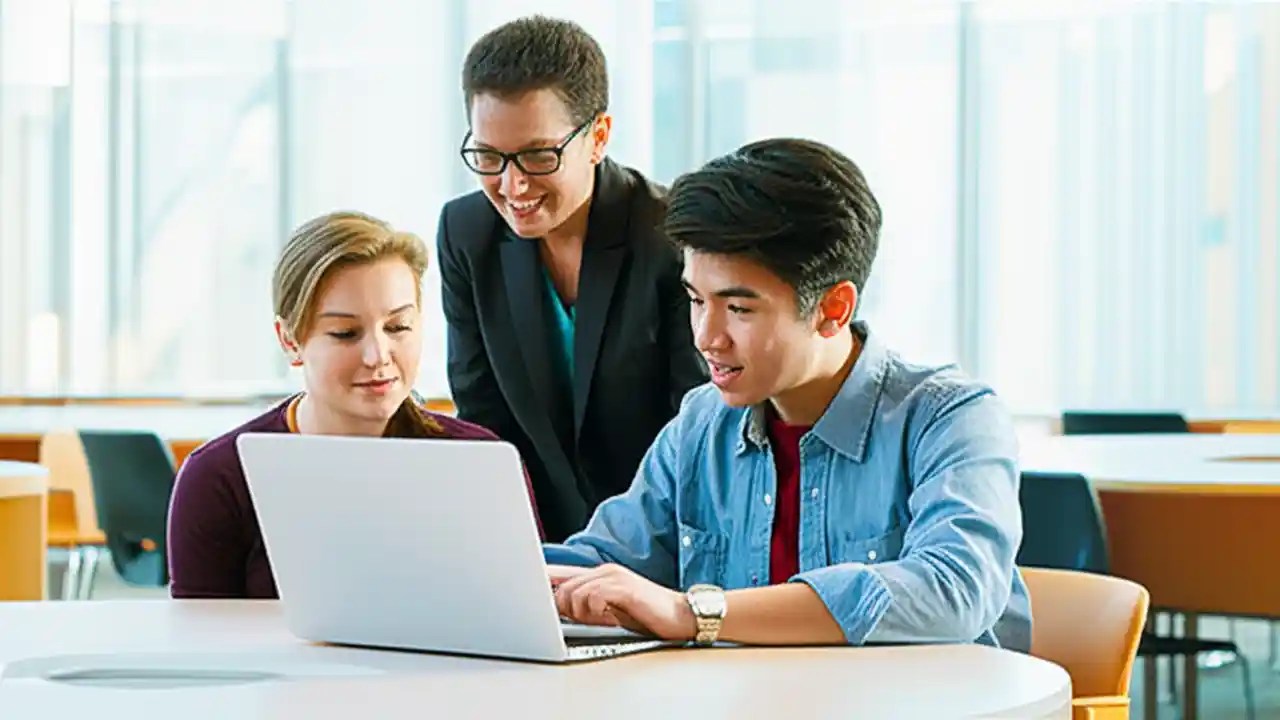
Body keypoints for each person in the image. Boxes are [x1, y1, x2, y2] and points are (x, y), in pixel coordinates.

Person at [543, 138, 1030, 651]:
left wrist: (694, 613)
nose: (707, 336)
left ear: (833, 309)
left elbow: (953, 589)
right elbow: (599, 566)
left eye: (739, 309)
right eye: (694, 300)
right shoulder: (700, 424)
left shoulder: (951, 418)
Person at [167, 211, 540, 599]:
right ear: (290, 340)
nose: (378, 355)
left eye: (398, 327)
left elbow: (526, 613)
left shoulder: (481, 463)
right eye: (345, 333)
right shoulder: (220, 478)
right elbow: (198, 645)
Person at [438, 16, 708, 543]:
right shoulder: (466, 233)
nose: (512, 185)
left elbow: (696, 426)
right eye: (488, 156)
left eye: (539, 156)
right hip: (535, 542)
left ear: (598, 137)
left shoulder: (670, 235)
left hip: (666, 536)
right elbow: (484, 417)